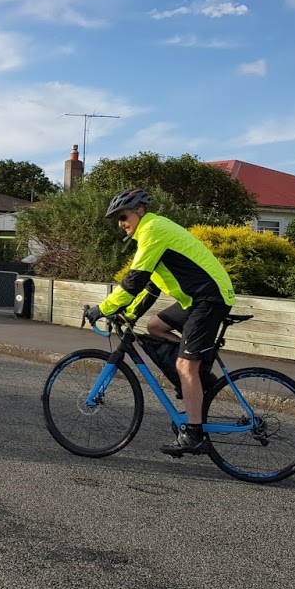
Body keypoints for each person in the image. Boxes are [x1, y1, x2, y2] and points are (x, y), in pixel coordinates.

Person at [84, 188, 236, 457]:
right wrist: (128, 314)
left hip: (209, 298)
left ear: (140, 211)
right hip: (196, 299)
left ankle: (194, 434)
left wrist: (103, 308)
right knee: (155, 328)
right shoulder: (151, 232)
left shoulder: (153, 229)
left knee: (184, 365)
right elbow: (151, 287)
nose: (120, 223)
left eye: (123, 216)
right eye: (118, 219)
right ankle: (198, 373)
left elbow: (134, 280)